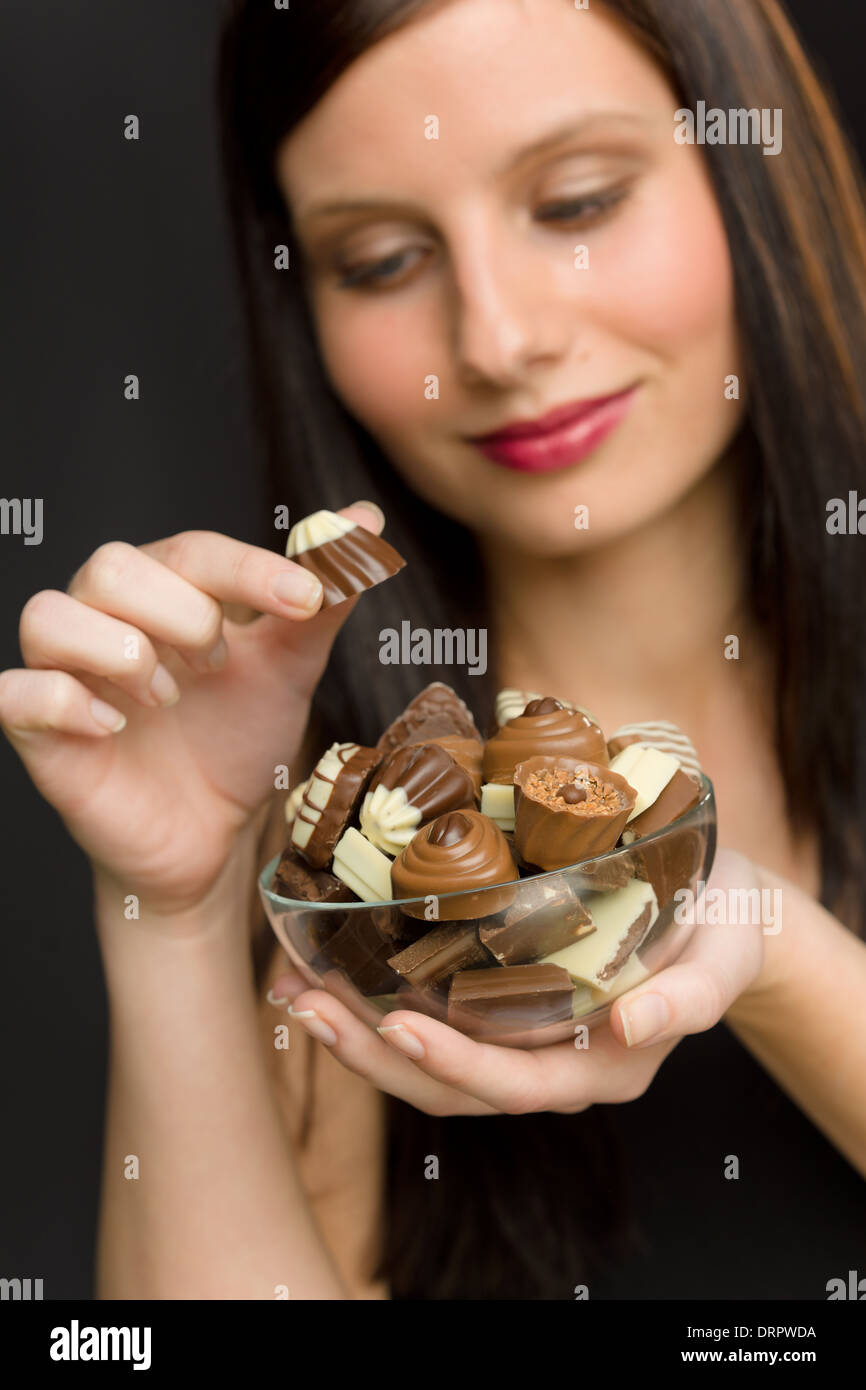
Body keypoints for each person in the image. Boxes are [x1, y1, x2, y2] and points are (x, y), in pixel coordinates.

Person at [2, 0, 865, 1301]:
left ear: (752, 161)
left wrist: (769, 946)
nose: (497, 341)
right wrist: (170, 919)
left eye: (574, 203)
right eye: (381, 260)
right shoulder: (353, 861)